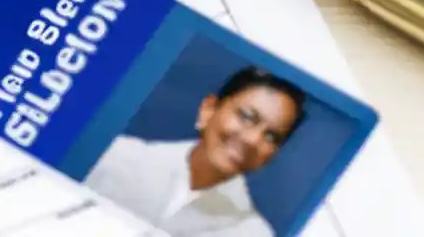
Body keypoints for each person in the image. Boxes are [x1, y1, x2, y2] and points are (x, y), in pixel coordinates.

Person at [85, 67, 306, 236]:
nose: (251, 139)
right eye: (247, 117)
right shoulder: (114, 155)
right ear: (209, 109)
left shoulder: (252, 232)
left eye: (271, 137)